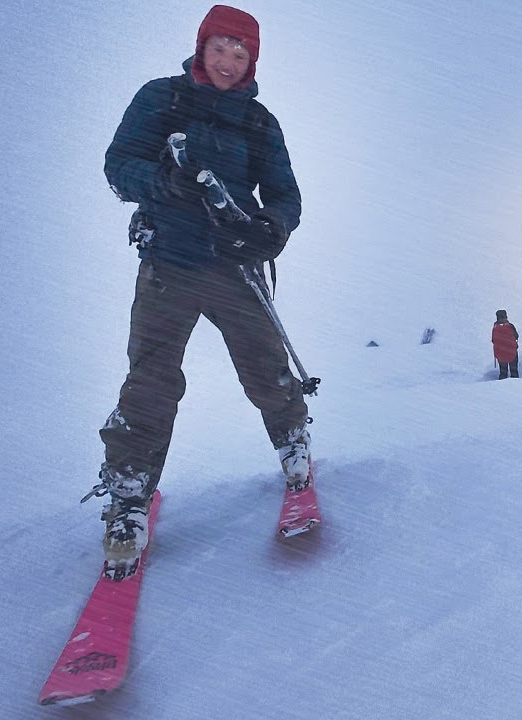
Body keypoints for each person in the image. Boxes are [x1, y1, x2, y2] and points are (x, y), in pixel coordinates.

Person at [88, 5, 311, 578]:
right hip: (171, 262)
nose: (230, 60)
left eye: (242, 52)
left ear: (252, 59)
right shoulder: (161, 99)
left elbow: (285, 195)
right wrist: (161, 181)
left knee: (266, 367)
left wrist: (270, 229)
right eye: (221, 47)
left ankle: (293, 444)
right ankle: (129, 498)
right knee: (151, 381)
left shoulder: (258, 122)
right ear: (201, 46)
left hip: (236, 268)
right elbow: (119, 165)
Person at [492, 310, 519, 379]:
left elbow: (493, 340)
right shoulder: (510, 326)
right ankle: (517, 386)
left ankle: (502, 387)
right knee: (514, 371)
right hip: (511, 352)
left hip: (500, 353)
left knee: (503, 373)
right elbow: (516, 336)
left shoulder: (495, 328)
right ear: (506, 316)